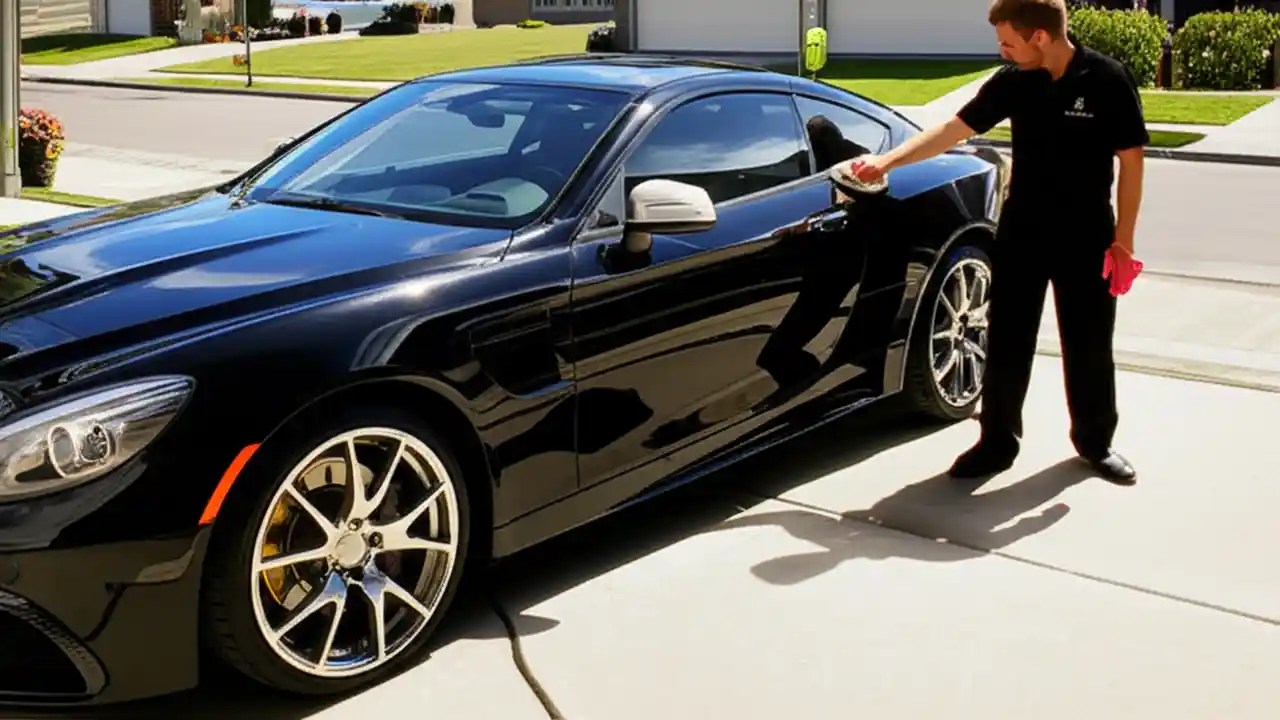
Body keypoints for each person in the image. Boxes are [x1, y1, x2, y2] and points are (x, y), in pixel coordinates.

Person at [841, 0, 1147, 484]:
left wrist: (1123, 242)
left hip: (1086, 235)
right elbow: (952, 130)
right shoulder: (1014, 82)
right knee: (1006, 340)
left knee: (1088, 343)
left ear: (1040, 37)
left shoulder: (1107, 78)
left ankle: (1095, 441)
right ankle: (996, 442)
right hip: (1023, 231)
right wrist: (887, 163)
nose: (1002, 49)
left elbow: (1131, 161)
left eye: (1008, 40)